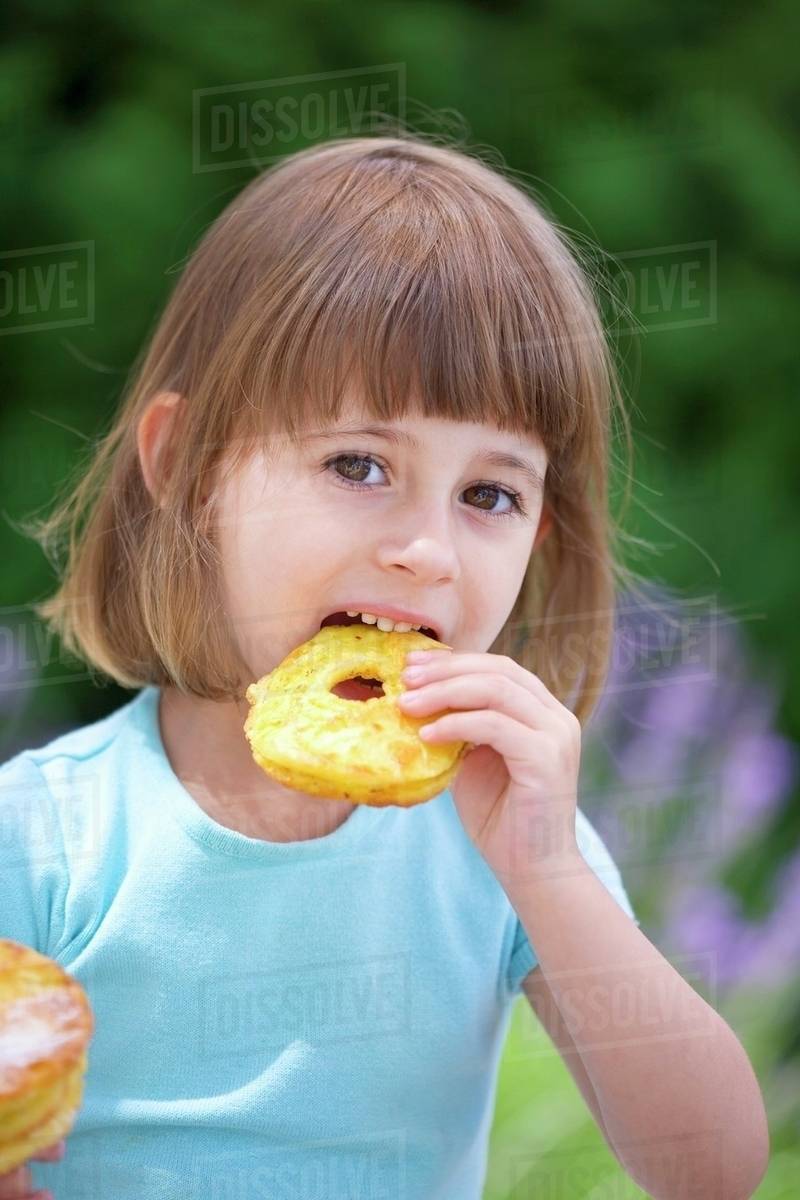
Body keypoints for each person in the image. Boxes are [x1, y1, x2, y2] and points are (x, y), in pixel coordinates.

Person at [0, 133, 768, 1199]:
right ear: (184, 467)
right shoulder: (44, 837)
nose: (427, 548)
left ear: (538, 535)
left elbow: (712, 1171)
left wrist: (546, 873)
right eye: (357, 465)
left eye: (488, 494)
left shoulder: (503, 843)